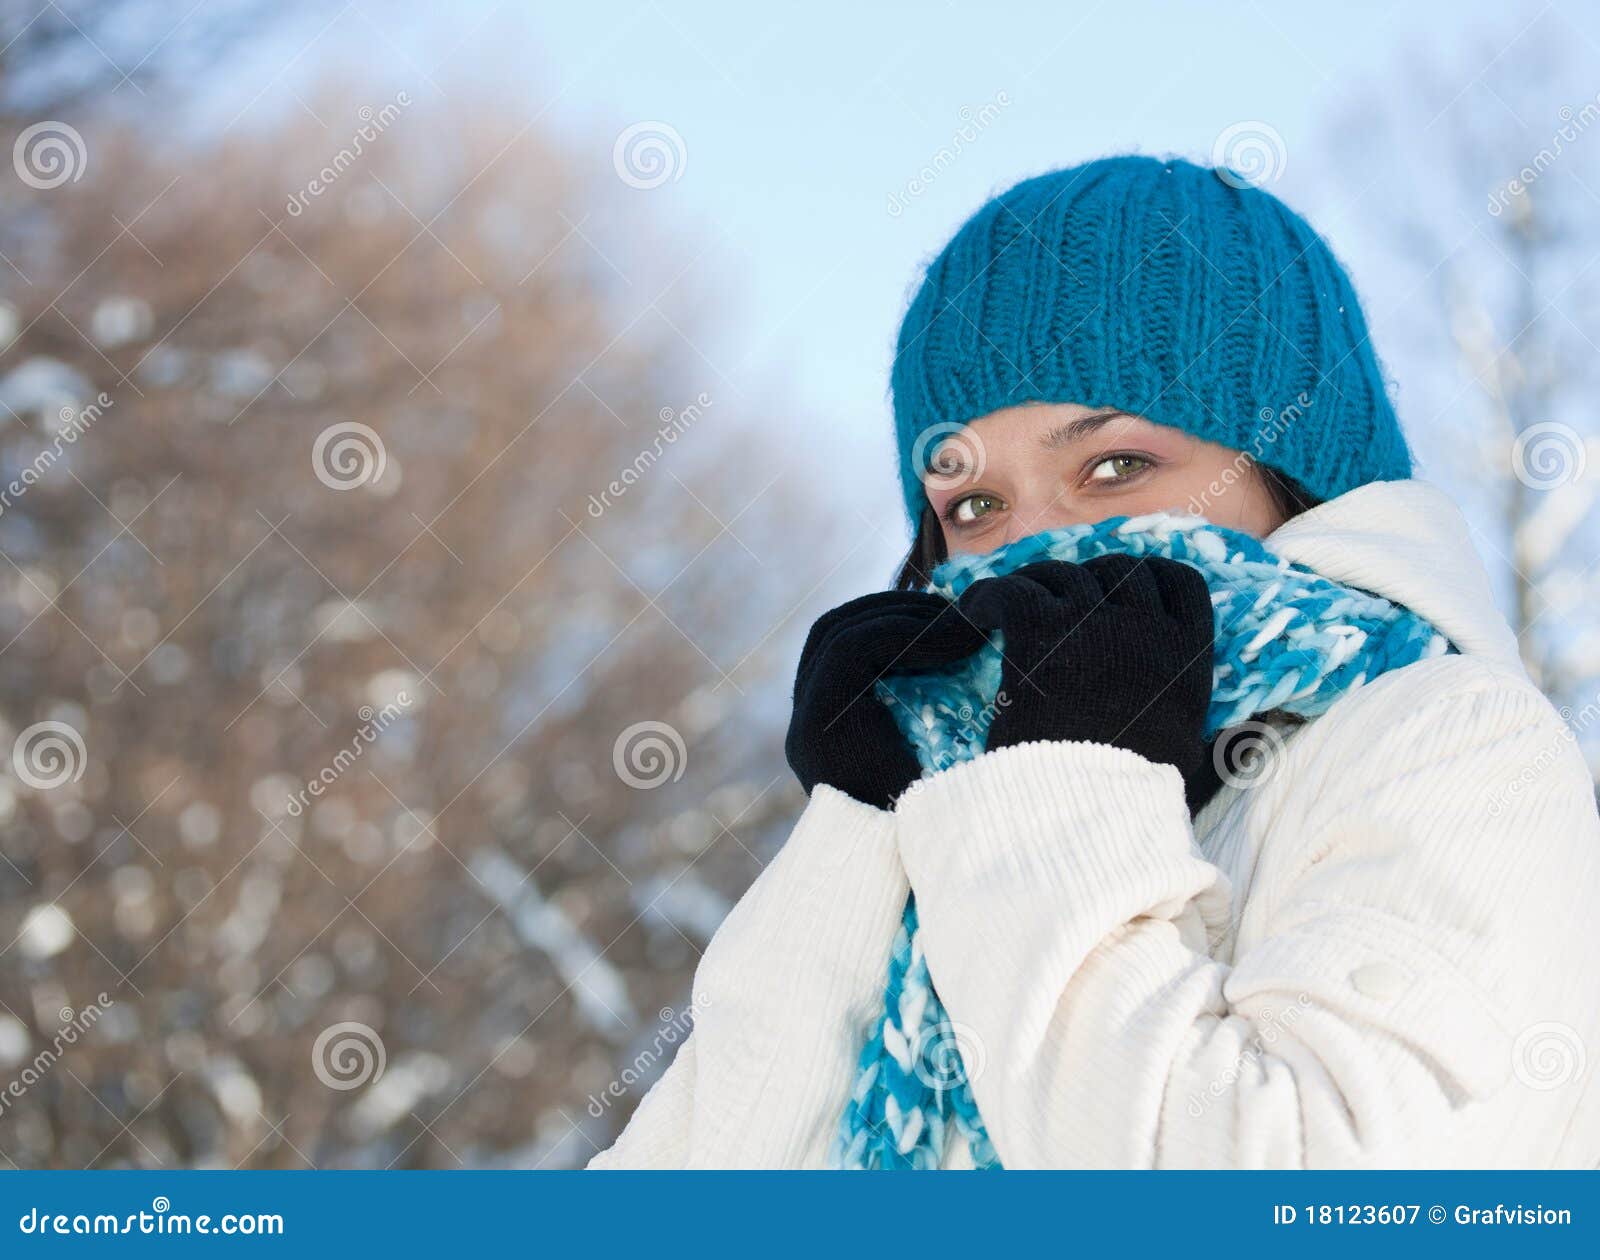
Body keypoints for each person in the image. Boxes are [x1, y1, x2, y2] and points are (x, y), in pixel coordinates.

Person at [588, 155, 1600, 1169]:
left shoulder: (1456, 745)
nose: (1039, 546)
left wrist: (1065, 783)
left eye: (1114, 466)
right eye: (974, 505)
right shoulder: (959, 804)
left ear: (1295, 476)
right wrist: (859, 835)